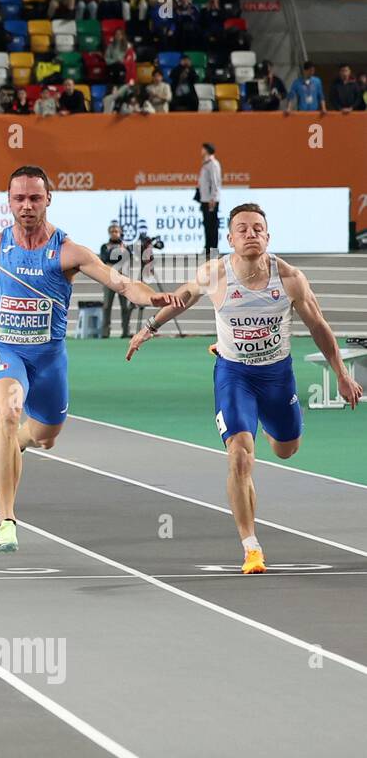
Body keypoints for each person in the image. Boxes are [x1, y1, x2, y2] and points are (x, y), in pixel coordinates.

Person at [0, 165, 181, 553]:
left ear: (48, 199)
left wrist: (151, 298)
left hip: (48, 361)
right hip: (5, 351)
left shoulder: (68, 252)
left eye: (34, 198)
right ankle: (6, 519)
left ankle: (23, 440)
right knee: (8, 413)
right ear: (8, 200)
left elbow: (121, 283)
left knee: (45, 437)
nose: (26, 206)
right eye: (19, 198)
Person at [126, 203, 362, 574]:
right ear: (230, 238)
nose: (250, 234)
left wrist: (341, 374)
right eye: (242, 229)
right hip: (234, 375)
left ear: (268, 236)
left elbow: (318, 326)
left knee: (286, 449)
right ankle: (251, 546)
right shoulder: (215, 274)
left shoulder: (290, 279)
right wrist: (149, 329)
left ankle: (270, 423)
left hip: (277, 376)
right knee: (239, 456)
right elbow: (180, 299)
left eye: (257, 228)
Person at [99, 223, 133, 338]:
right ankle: (105, 332)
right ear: (109, 233)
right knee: (107, 306)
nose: (114, 234)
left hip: (122, 280)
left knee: (125, 306)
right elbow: (104, 259)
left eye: (116, 231)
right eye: (112, 232)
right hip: (109, 279)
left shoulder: (125, 246)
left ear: (120, 233)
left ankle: (126, 331)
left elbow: (128, 258)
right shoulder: (105, 246)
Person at [198, 141, 221, 257]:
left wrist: (213, 198)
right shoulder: (206, 164)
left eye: (203, 149)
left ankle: (214, 249)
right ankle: (208, 247)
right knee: (207, 225)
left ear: (207, 150)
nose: (201, 151)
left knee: (212, 225)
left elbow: (215, 182)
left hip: (211, 201)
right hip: (205, 199)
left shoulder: (213, 164)